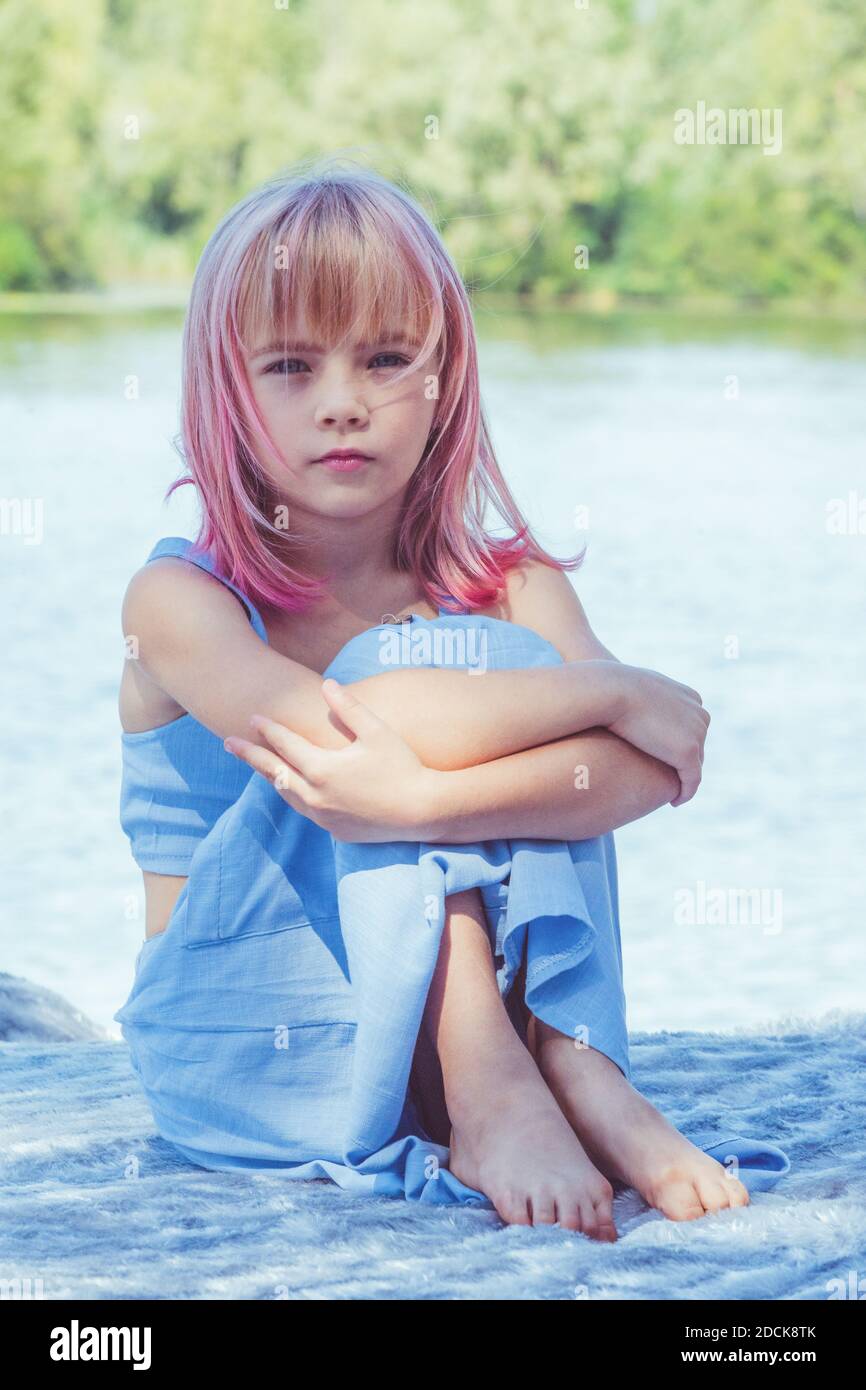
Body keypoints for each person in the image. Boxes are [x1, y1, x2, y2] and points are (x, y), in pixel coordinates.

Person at [115, 157, 746, 1241]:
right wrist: (606, 688)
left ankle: (568, 1059)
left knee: (472, 647)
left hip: (441, 1028)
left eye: (386, 357)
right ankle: (495, 1079)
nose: (342, 403)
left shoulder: (513, 585)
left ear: (440, 378)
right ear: (228, 388)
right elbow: (355, 736)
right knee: (391, 673)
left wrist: (422, 804)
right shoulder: (177, 601)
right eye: (289, 365)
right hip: (250, 1042)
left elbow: (641, 771)